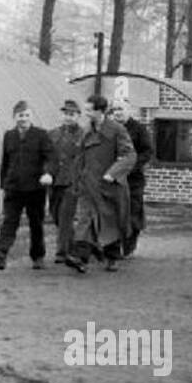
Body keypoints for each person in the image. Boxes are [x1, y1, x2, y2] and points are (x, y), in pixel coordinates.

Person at [65, 94, 136, 274]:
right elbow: (80, 158)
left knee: (110, 220)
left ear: (100, 111)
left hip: (109, 185)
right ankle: (80, 257)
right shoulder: (86, 130)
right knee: (85, 219)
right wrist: (76, 180)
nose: (86, 113)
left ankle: (112, 257)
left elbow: (129, 155)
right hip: (88, 184)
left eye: (89, 110)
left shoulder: (117, 129)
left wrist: (113, 173)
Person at [0, 100, 54, 271]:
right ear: (14, 117)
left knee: (36, 223)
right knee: (9, 221)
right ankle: (1, 254)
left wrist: (48, 173)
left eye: (26, 115)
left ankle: (38, 256)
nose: (23, 118)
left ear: (31, 116)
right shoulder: (9, 136)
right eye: (20, 115)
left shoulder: (41, 135)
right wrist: (4, 183)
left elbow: (51, 157)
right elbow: (5, 161)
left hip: (35, 188)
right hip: (14, 187)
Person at [110, 103, 154, 256]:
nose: (118, 112)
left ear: (129, 110)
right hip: (114, 177)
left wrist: (130, 166)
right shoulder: (110, 129)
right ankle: (113, 246)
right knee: (114, 212)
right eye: (115, 110)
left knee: (133, 211)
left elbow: (147, 152)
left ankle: (129, 245)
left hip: (133, 179)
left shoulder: (139, 129)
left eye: (121, 109)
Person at [47, 99, 83, 264]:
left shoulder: (84, 135)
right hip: (55, 181)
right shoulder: (53, 134)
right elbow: (47, 156)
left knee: (65, 216)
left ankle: (61, 252)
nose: (68, 117)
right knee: (55, 214)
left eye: (72, 114)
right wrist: (46, 173)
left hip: (72, 182)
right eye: (66, 114)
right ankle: (77, 245)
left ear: (78, 116)